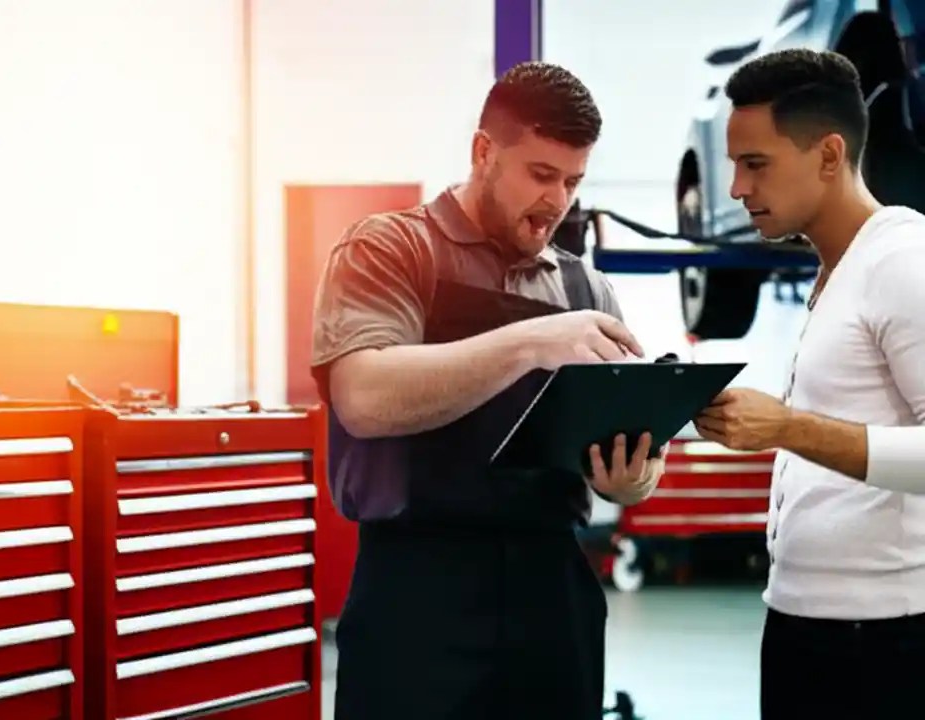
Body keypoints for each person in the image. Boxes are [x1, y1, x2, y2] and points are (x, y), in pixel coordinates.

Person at [310, 61, 666, 720]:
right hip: (418, 591)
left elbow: (631, 463)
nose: (558, 201)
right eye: (540, 174)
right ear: (483, 152)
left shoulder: (585, 287)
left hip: (553, 588)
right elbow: (363, 395)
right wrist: (534, 344)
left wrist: (631, 479)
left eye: (573, 181)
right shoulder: (392, 250)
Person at [692, 48, 925, 719]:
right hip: (802, 623)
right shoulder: (836, 274)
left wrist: (788, 428)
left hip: (883, 643)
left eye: (755, 164)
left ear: (828, 155)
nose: (736, 189)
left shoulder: (901, 262)